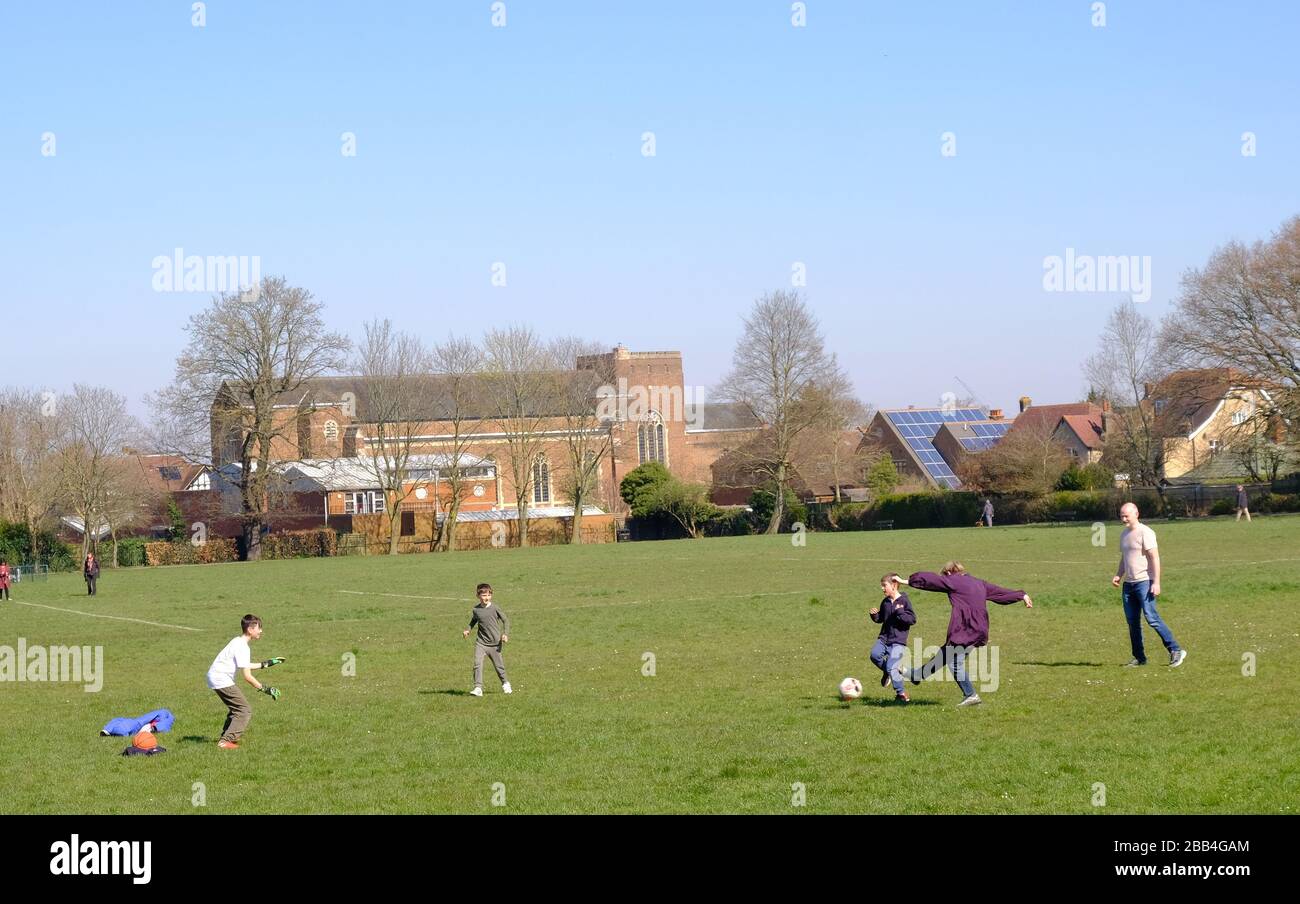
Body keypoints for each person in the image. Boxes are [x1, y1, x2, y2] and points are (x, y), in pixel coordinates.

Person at [901, 561, 1033, 707]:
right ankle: (917, 675)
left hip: (967, 630)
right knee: (944, 655)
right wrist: (1022, 595)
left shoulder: (954, 580)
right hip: (978, 629)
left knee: (954, 663)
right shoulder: (979, 583)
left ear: (949, 572)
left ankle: (971, 695)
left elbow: (930, 580)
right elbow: (1000, 592)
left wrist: (907, 581)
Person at [1113, 503, 1186, 668]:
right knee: (1132, 622)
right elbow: (1125, 558)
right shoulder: (1124, 534)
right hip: (1128, 585)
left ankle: (1175, 650)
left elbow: (1155, 558)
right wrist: (1119, 574)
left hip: (1144, 582)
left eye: (1126, 515)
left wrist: (1156, 582)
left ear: (1136, 514)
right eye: (1121, 515)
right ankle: (1139, 658)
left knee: (1152, 618)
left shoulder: (1146, 532)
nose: (1123, 519)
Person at [205, 614, 285, 749]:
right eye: (259, 628)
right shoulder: (242, 647)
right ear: (250, 629)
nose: (261, 631)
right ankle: (225, 741)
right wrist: (266, 689)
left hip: (215, 677)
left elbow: (245, 665)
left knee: (236, 708)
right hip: (221, 679)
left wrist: (266, 664)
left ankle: (226, 736)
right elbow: (247, 676)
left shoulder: (237, 641)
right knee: (244, 710)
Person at [869, 573, 916, 703]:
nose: (882, 588)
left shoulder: (904, 601)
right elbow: (881, 619)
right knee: (874, 655)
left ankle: (901, 694)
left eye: (884, 585)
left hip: (898, 642)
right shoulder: (885, 602)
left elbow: (912, 620)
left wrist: (900, 612)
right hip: (884, 638)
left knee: (891, 666)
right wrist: (875, 616)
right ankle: (888, 672)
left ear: (894, 585)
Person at [463, 583, 511, 697]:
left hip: (495, 644)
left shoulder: (495, 608)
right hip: (481, 642)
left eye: (489, 595)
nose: (486, 597)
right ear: (478, 596)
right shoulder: (476, 610)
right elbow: (474, 621)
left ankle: (505, 683)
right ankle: (478, 688)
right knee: (477, 664)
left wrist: (505, 634)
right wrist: (468, 630)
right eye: (484, 595)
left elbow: (506, 621)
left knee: (499, 666)